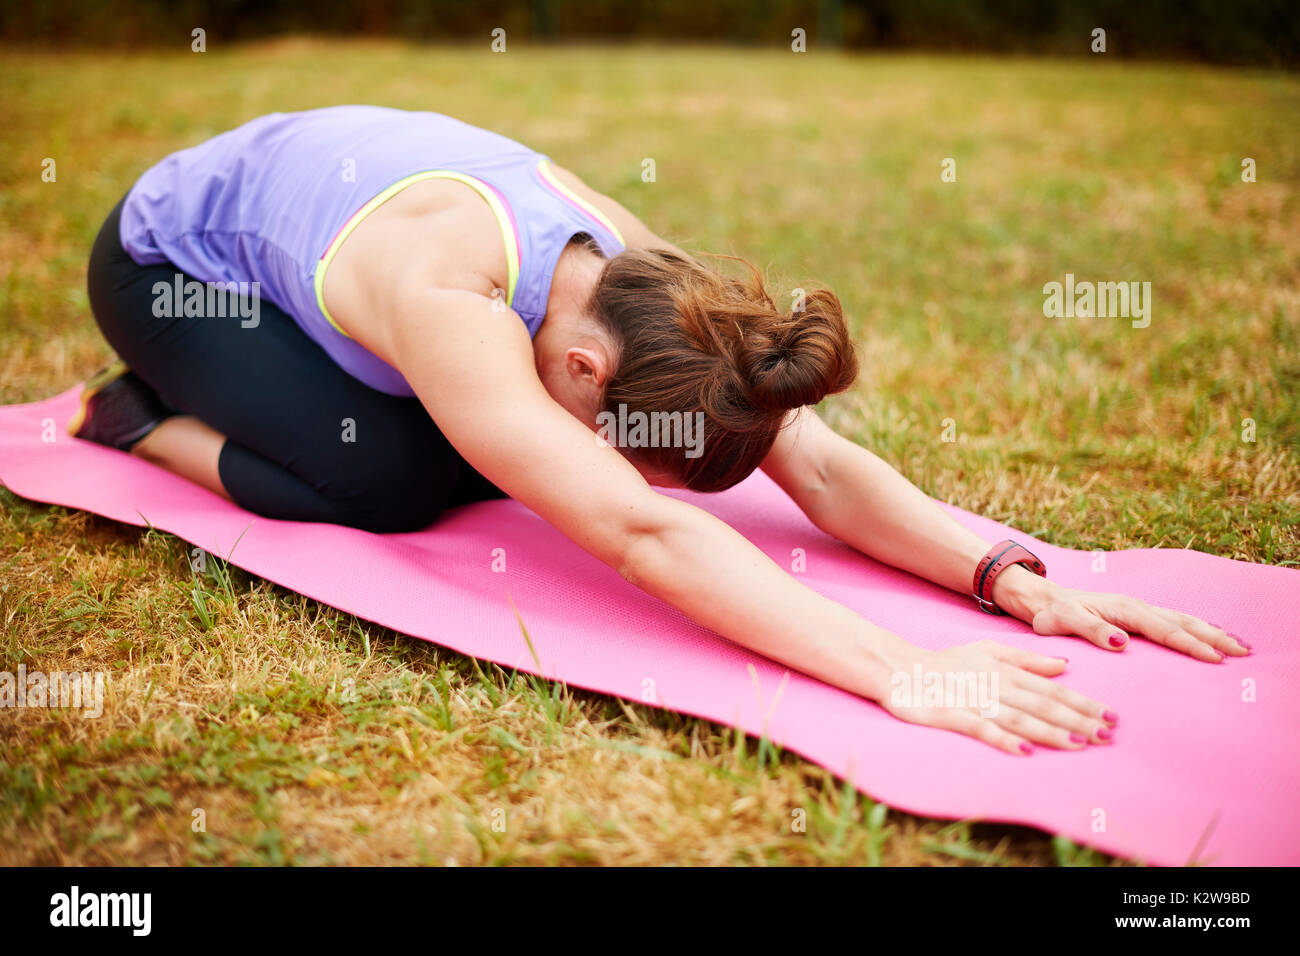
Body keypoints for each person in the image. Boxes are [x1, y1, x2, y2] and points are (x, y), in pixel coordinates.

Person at [72, 106, 1249, 755]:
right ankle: (134, 416)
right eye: (624, 440)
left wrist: (1006, 578)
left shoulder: (644, 287)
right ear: (586, 371)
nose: (620, 464)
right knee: (392, 472)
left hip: (314, 208)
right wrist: (904, 672)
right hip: (173, 265)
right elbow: (637, 534)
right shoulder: (453, 296)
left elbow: (818, 461)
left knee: (476, 449)